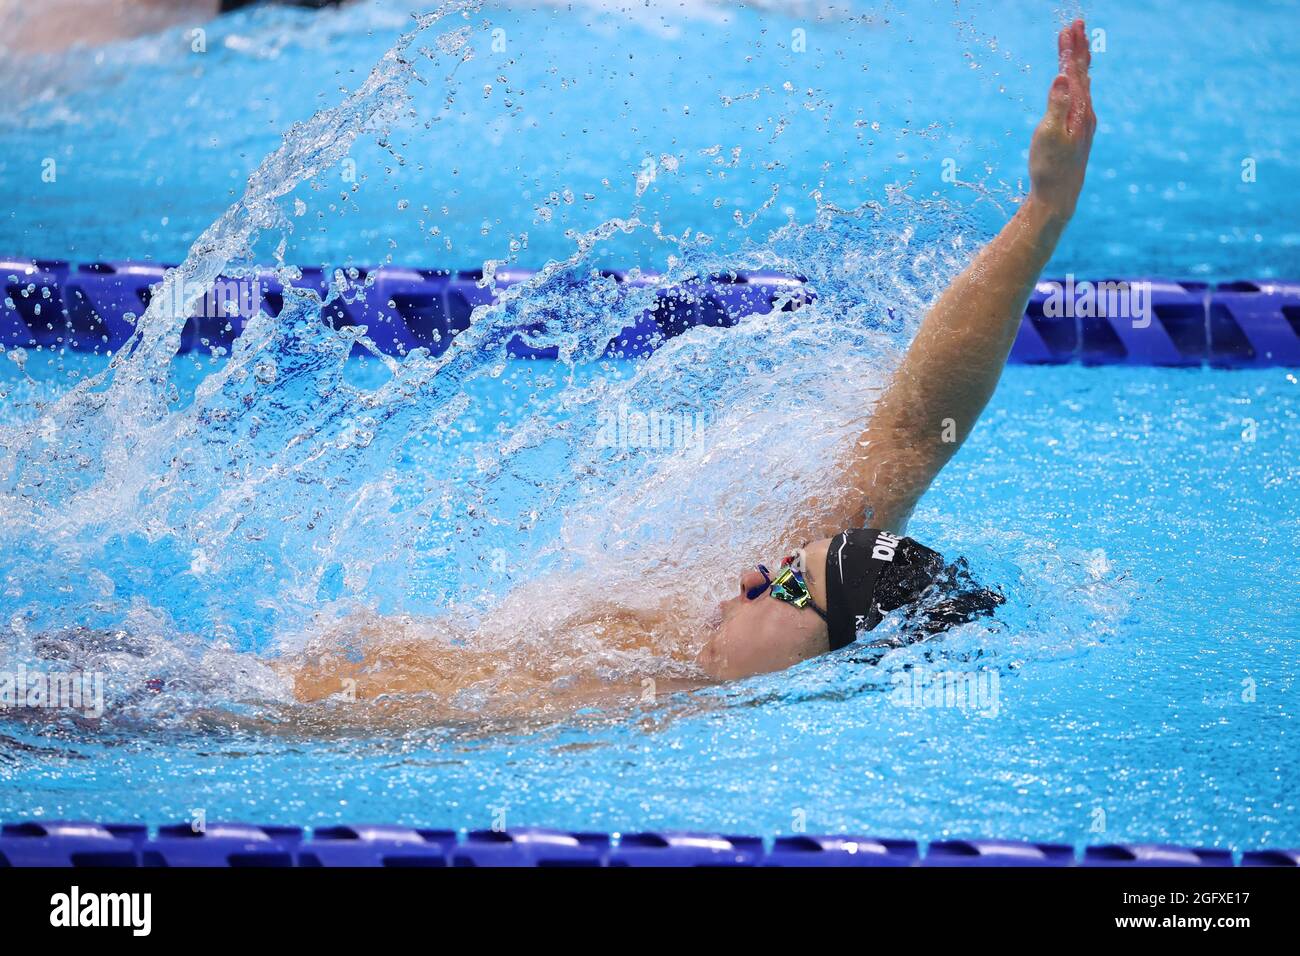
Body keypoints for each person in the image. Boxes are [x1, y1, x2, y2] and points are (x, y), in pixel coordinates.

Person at [285, 19, 1096, 708]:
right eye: (782, 570)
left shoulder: (631, 712)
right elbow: (918, 426)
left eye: (785, 588)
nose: (751, 575)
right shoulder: (715, 651)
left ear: (832, 662)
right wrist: (1044, 212)